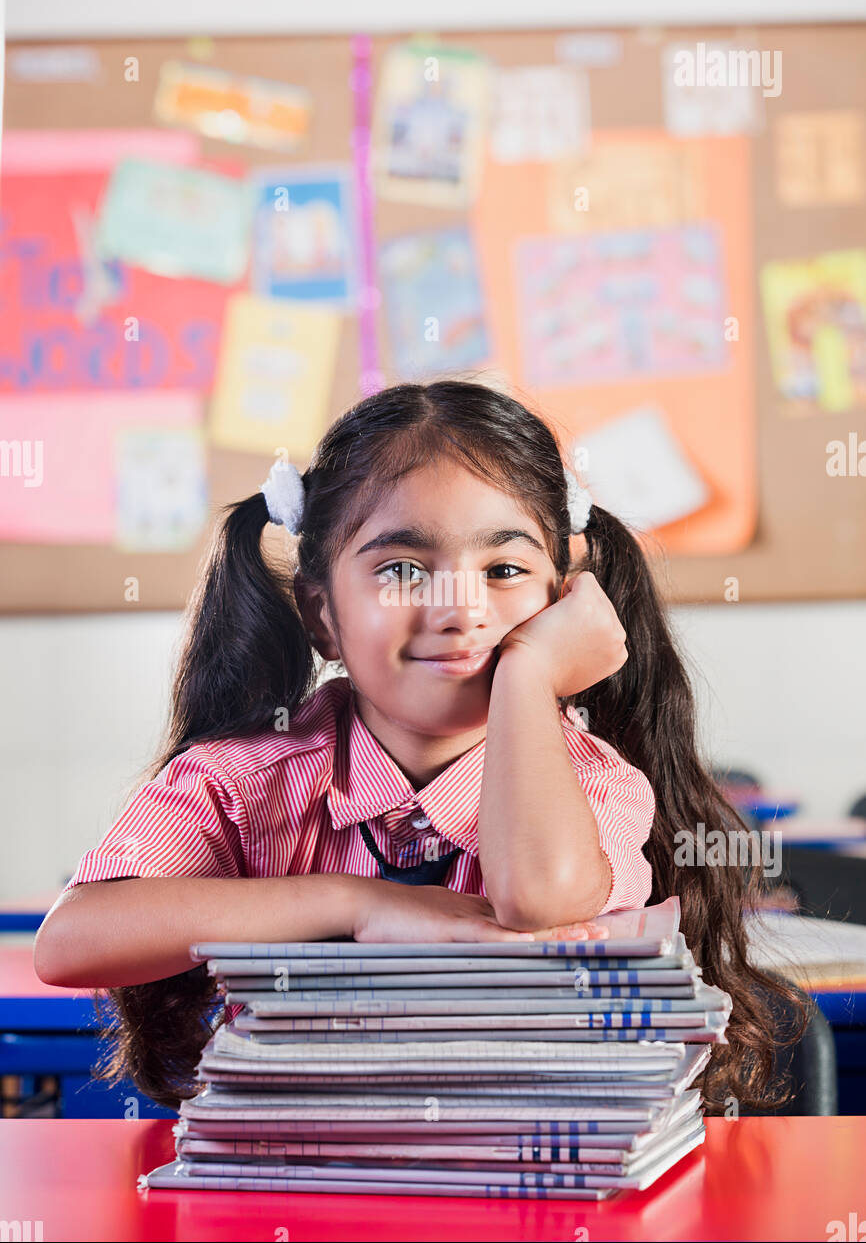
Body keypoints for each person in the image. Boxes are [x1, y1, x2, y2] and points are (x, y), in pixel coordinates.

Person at [34, 378, 807, 1111]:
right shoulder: (241, 780)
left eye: (504, 568)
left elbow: (538, 902)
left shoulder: (592, 782)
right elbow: (71, 944)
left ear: (564, 598)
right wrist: (358, 904)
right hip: (302, 1177)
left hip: (533, 1171)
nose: (458, 609)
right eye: (402, 568)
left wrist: (530, 675)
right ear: (321, 614)